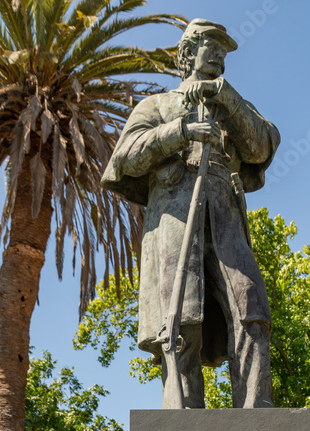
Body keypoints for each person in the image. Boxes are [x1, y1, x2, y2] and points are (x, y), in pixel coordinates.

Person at [102, 18, 280, 409]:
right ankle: (181, 413)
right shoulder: (158, 106)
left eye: (223, 50)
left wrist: (226, 100)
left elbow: (262, 146)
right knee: (180, 319)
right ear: (187, 54)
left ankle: (257, 412)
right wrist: (181, 131)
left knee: (250, 304)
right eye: (210, 46)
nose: (217, 56)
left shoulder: (233, 105)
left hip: (225, 215)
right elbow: (125, 157)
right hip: (176, 220)